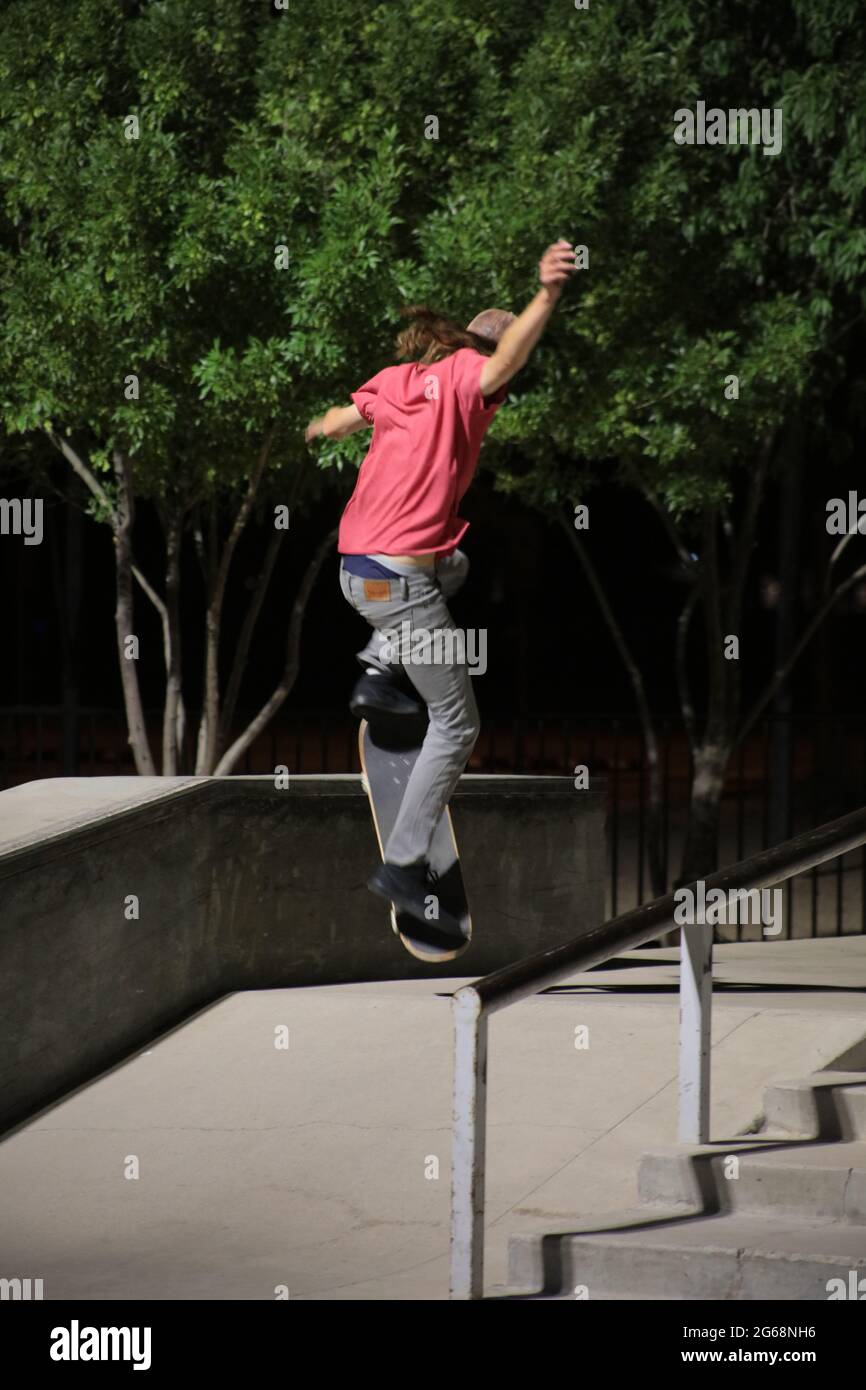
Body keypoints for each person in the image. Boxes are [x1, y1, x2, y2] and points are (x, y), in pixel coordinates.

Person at [305, 240, 576, 947]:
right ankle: (402, 863)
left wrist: (322, 426)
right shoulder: (466, 378)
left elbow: (343, 416)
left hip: (356, 570)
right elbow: (507, 358)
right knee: (458, 724)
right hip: (396, 586)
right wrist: (547, 295)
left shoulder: (400, 379)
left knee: (452, 561)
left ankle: (378, 672)